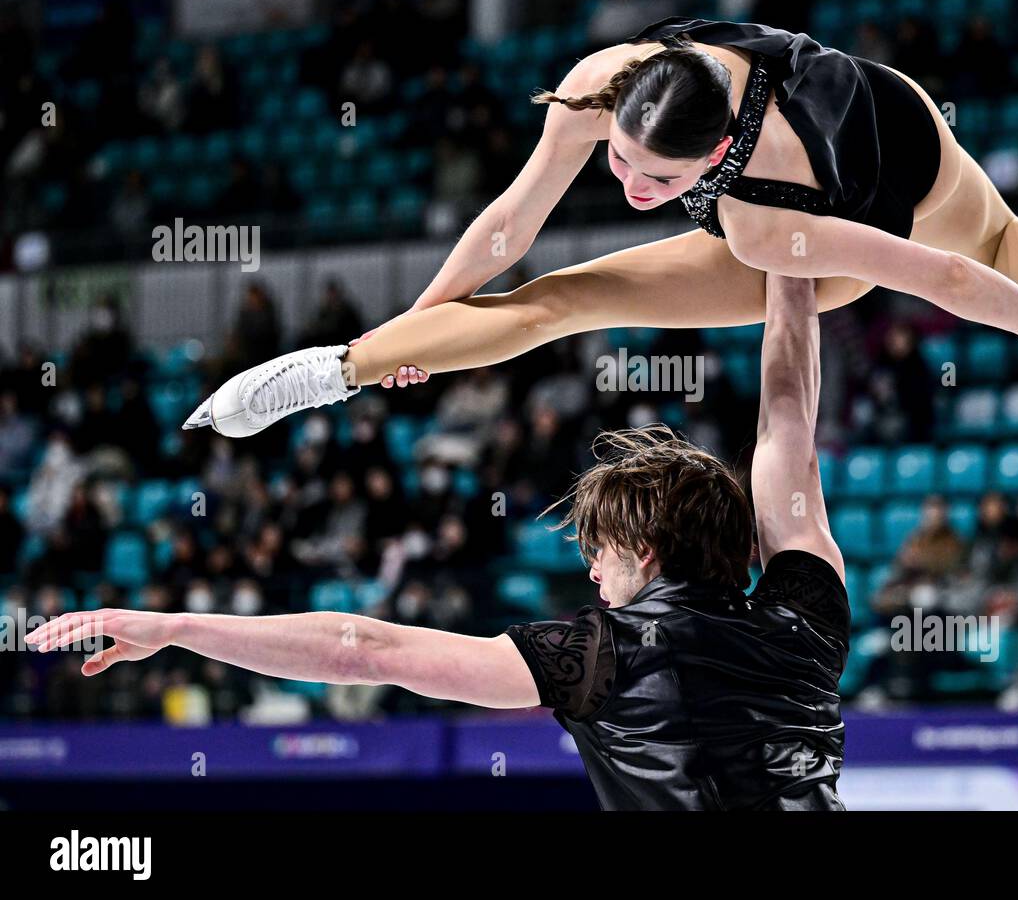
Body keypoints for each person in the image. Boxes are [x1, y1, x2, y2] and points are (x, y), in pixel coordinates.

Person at [182, 16, 1018, 437]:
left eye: (653, 179)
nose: (625, 182)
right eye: (619, 158)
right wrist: (418, 330)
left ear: (708, 161)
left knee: (993, 237)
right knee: (560, 292)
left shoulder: (759, 219)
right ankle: (334, 368)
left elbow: (939, 276)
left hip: (886, 153)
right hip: (815, 88)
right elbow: (512, 220)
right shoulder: (604, 84)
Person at [31, 273, 851, 811]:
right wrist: (791, 257)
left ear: (643, 548)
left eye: (596, 546)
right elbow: (789, 426)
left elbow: (362, 649)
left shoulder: (602, 652)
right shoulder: (807, 619)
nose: (589, 566)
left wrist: (177, 628)